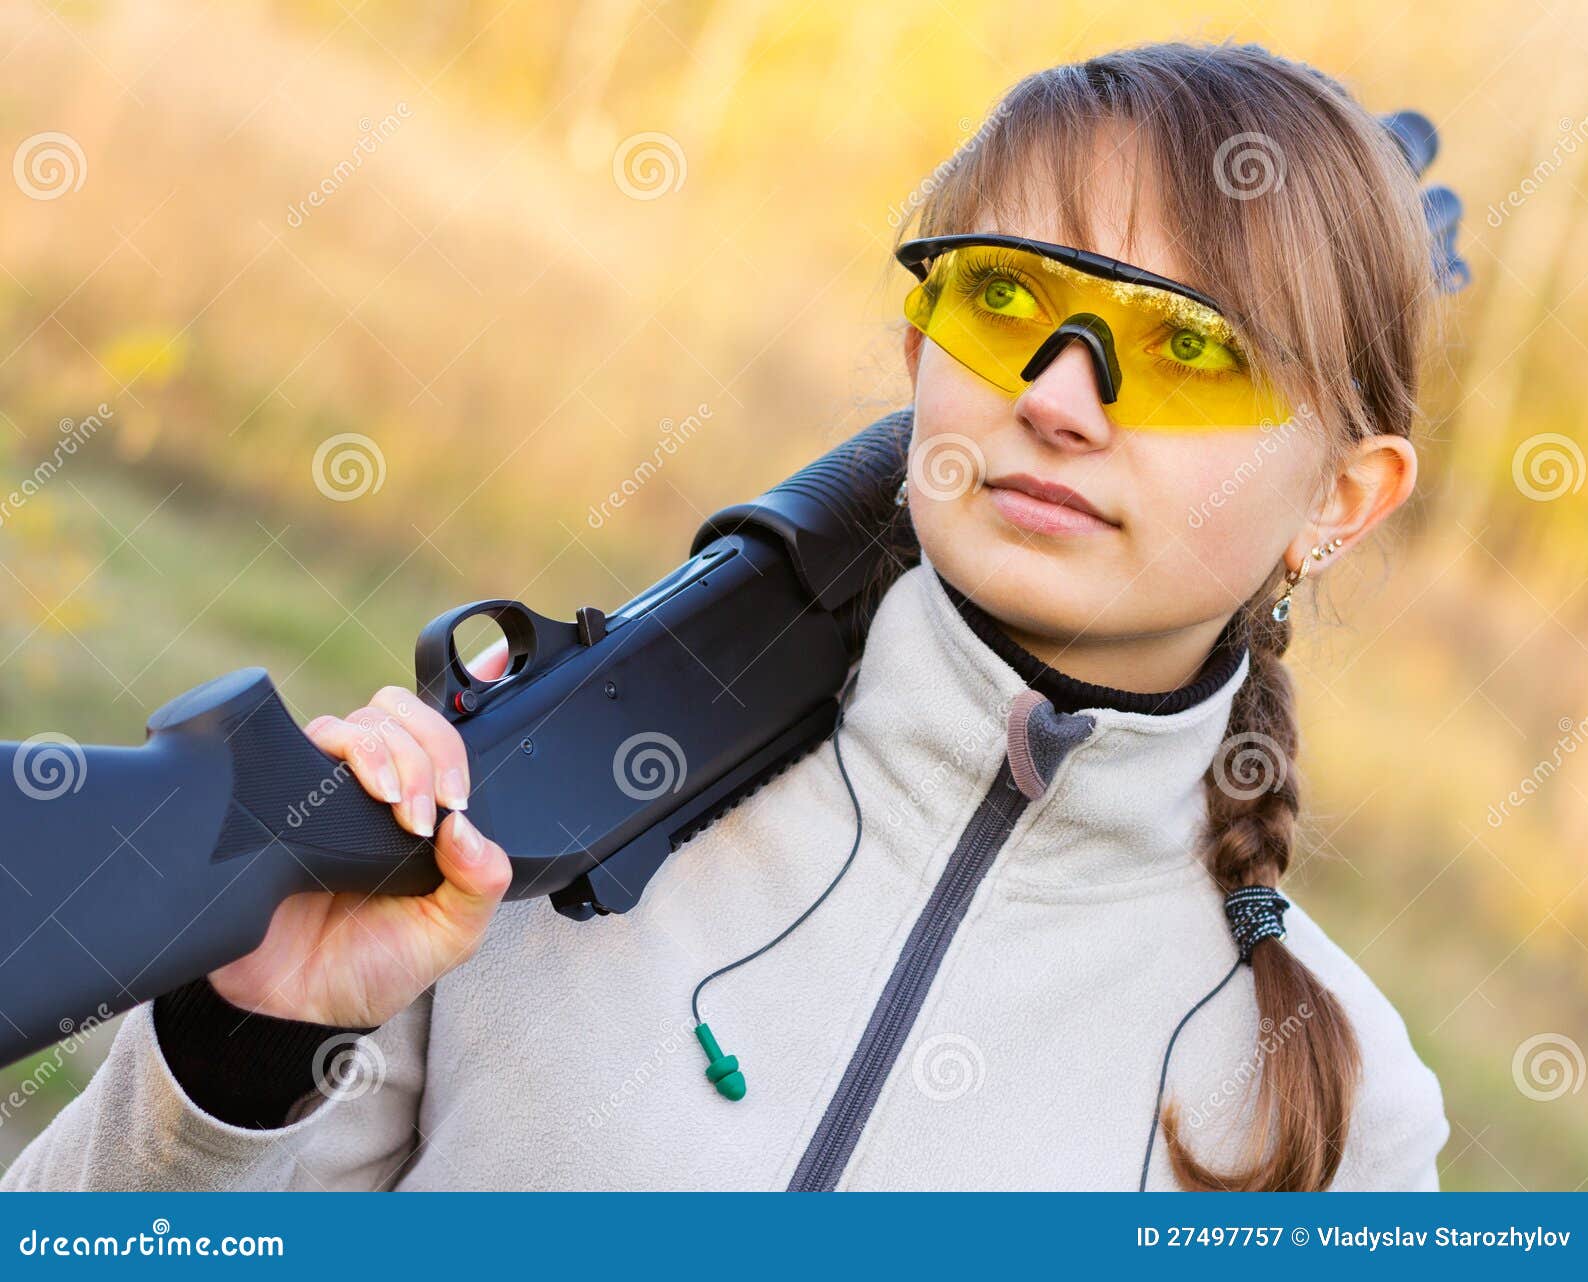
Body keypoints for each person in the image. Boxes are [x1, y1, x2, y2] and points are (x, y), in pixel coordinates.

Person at [2, 40, 1453, 1192]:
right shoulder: (497, 829)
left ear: (1348, 497)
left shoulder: (1347, 1115)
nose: (1058, 398)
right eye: (1007, 296)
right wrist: (248, 1049)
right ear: (916, 349)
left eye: (1191, 347)